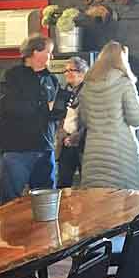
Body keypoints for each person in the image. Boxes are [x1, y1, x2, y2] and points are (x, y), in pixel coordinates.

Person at [0, 34, 64, 204]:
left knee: (47, 201)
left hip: (45, 147)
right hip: (18, 148)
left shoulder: (52, 79)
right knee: (11, 201)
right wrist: (45, 106)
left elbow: (54, 113)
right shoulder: (12, 76)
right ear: (35, 52)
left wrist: (62, 106)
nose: (51, 56)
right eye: (48, 52)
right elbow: (11, 107)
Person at [79, 41, 139, 191]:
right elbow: (136, 119)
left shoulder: (87, 86)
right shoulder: (124, 83)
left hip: (94, 151)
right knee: (126, 198)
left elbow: (85, 120)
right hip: (120, 152)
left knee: (96, 198)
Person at [56, 56, 89, 189]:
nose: (67, 73)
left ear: (82, 72)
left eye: (71, 70)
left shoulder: (88, 92)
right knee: (63, 183)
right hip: (66, 142)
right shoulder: (67, 91)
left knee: (86, 182)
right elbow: (62, 117)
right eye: (65, 70)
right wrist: (63, 135)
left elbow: (88, 120)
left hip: (83, 144)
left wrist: (76, 137)